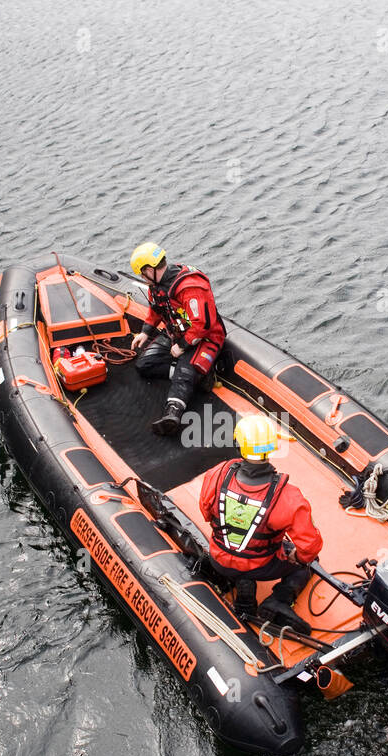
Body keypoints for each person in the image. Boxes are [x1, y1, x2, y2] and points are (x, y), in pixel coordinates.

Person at [199, 415, 322, 633]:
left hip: (219, 557)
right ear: (270, 448)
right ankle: (280, 599)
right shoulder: (288, 496)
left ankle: (241, 581)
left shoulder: (217, 474)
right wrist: (298, 557)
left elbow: (206, 512)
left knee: (239, 559)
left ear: (239, 446)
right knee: (311, 562)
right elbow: (310, 546)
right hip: (261, 565)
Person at [128, 242, 227, 436]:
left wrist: (182, 346)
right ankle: (196, 378)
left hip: (205, 337)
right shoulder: (157, 286)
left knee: (184, 371)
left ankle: (172, 414)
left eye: (142, 274)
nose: (142, 278)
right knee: (145, 365)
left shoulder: (189, 286)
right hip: (177, 333)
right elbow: (156, 310)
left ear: (149, 269)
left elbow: (203, 325)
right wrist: (146, 332)